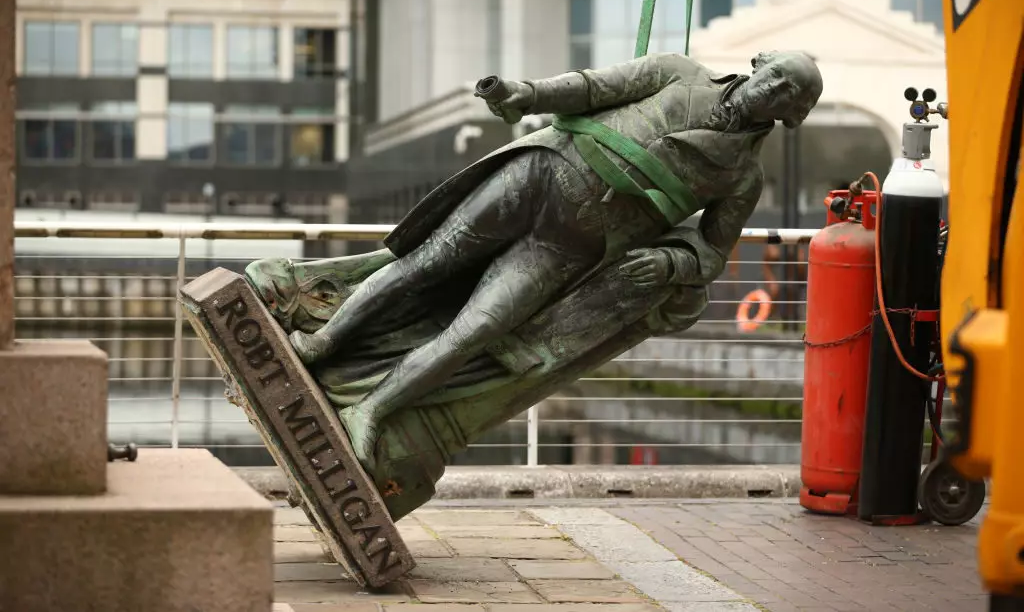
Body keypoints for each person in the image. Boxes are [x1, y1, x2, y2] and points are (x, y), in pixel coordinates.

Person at [287, 50, 824, 466]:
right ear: (758, 64)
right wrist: (529, 93)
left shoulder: (742, 179)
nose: (773, 89)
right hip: (543, 175)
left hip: (573, 246)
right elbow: (593, 88)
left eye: (788, 92)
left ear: (792, 114)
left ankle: (370, 411)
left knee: (476, 331)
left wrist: (671, 265)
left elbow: (712, 253)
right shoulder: (678, 72)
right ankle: (321, 343)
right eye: (776, 74)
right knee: (428, 262)